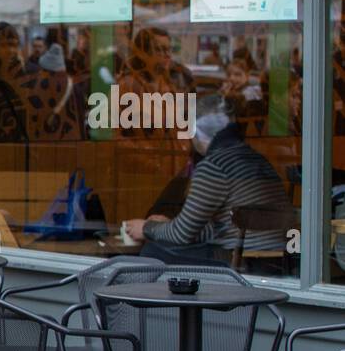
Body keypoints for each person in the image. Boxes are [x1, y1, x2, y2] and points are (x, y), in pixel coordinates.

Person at [124, 95, 293, 265]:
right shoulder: (254, 158)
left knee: (152, 251)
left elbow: (181, 235)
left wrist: (146, 228)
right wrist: (169, 225)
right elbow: (219, 228)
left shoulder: (214, 165)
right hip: (275, 259)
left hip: (238, 260)